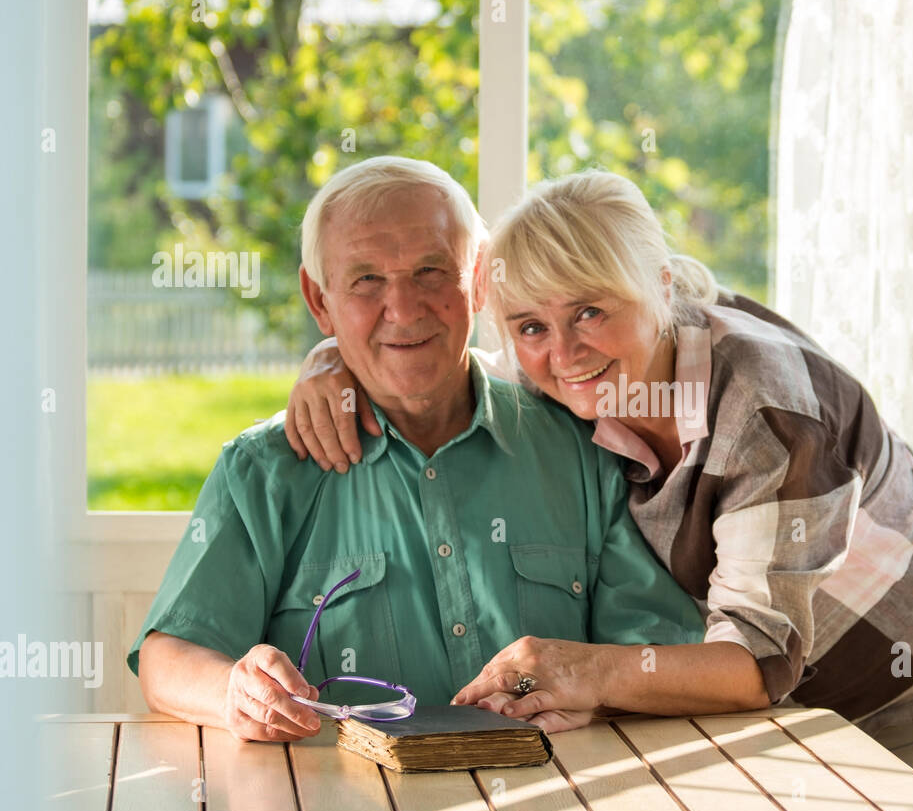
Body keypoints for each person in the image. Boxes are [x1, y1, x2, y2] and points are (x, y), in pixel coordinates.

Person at [286, 170, 913, 776]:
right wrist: (332, 360)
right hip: (772, 651)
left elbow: (756, 662)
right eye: (532, 326)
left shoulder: (766, 411)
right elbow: (440, 366)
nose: (563, 353)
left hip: (909, 639)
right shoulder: (566, 372)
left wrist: (588, 671)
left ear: (658, 288)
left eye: (591, 311)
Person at [128, 157, 726, 743]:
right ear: (319, 299)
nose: (405, 309)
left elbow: (653, 649)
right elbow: (168, 657)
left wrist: (597, 697)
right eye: (367, 280)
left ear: (479, 278)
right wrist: (236, 693)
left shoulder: (583, 444)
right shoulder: (263, 469)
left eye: (432, 272)